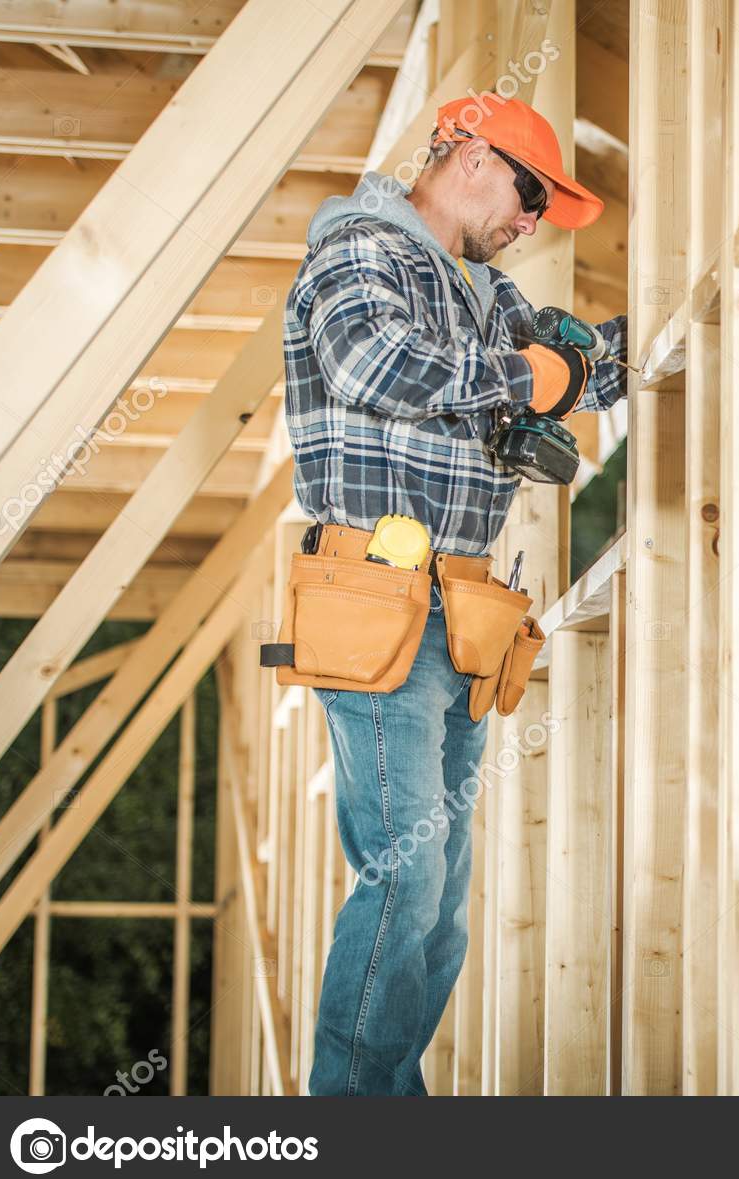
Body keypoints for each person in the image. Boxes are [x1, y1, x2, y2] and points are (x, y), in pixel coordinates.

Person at [280, 93, 625, 1095]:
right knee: (407, 871)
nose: (530, 223)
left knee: (441, 900)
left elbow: (575, 372)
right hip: (374, 599)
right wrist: (526, 377)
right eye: (530, 197)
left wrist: (635, 340)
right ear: (471, 156)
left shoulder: (485, 295)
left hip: (464, 618)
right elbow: (372, 362)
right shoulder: (357, 250)